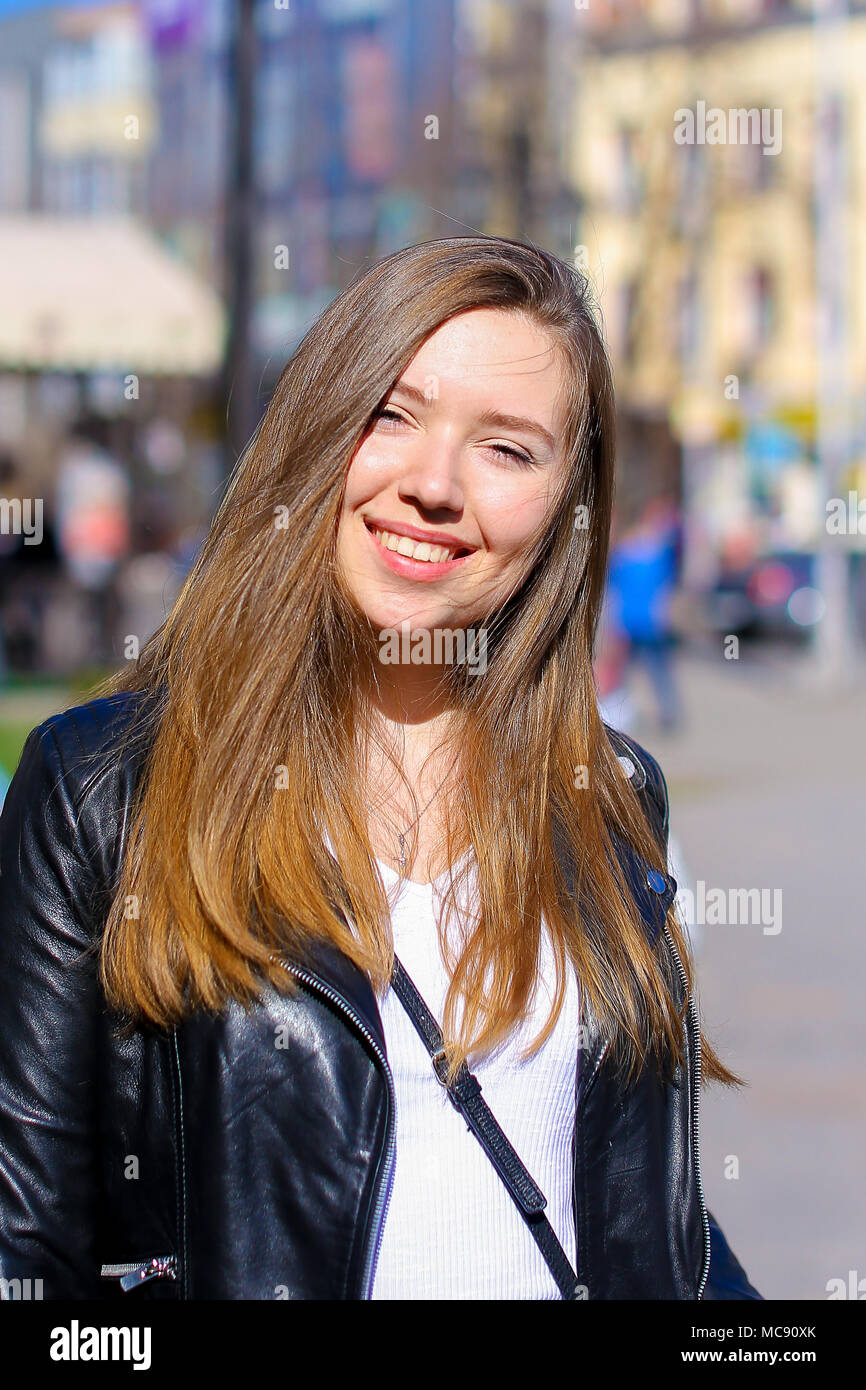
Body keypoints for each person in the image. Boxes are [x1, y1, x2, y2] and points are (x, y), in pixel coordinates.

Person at [0, 236, 760, 1301]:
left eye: (507, 450)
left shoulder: (613, 792)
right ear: (316, 428)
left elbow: (650, 1225)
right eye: (393, 415)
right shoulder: (101, 791)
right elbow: (25, 1248)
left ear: (563, 508)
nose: (434, 486)